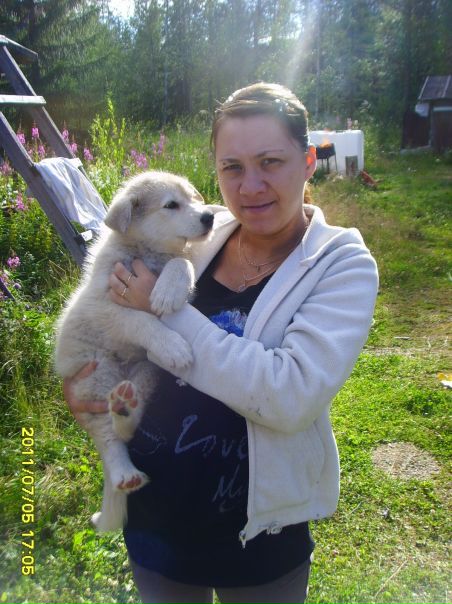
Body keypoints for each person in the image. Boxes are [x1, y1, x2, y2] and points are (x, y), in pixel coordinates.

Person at [64, 82, 379, 604]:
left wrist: (167, 314)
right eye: (232, 167)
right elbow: (106, 316)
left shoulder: (339, 264)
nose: (250, 186)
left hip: (257, 540)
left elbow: (290, 395)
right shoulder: (198, 231)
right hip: (155, 524)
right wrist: (88, 386)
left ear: (307, 162)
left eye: (270, 162)